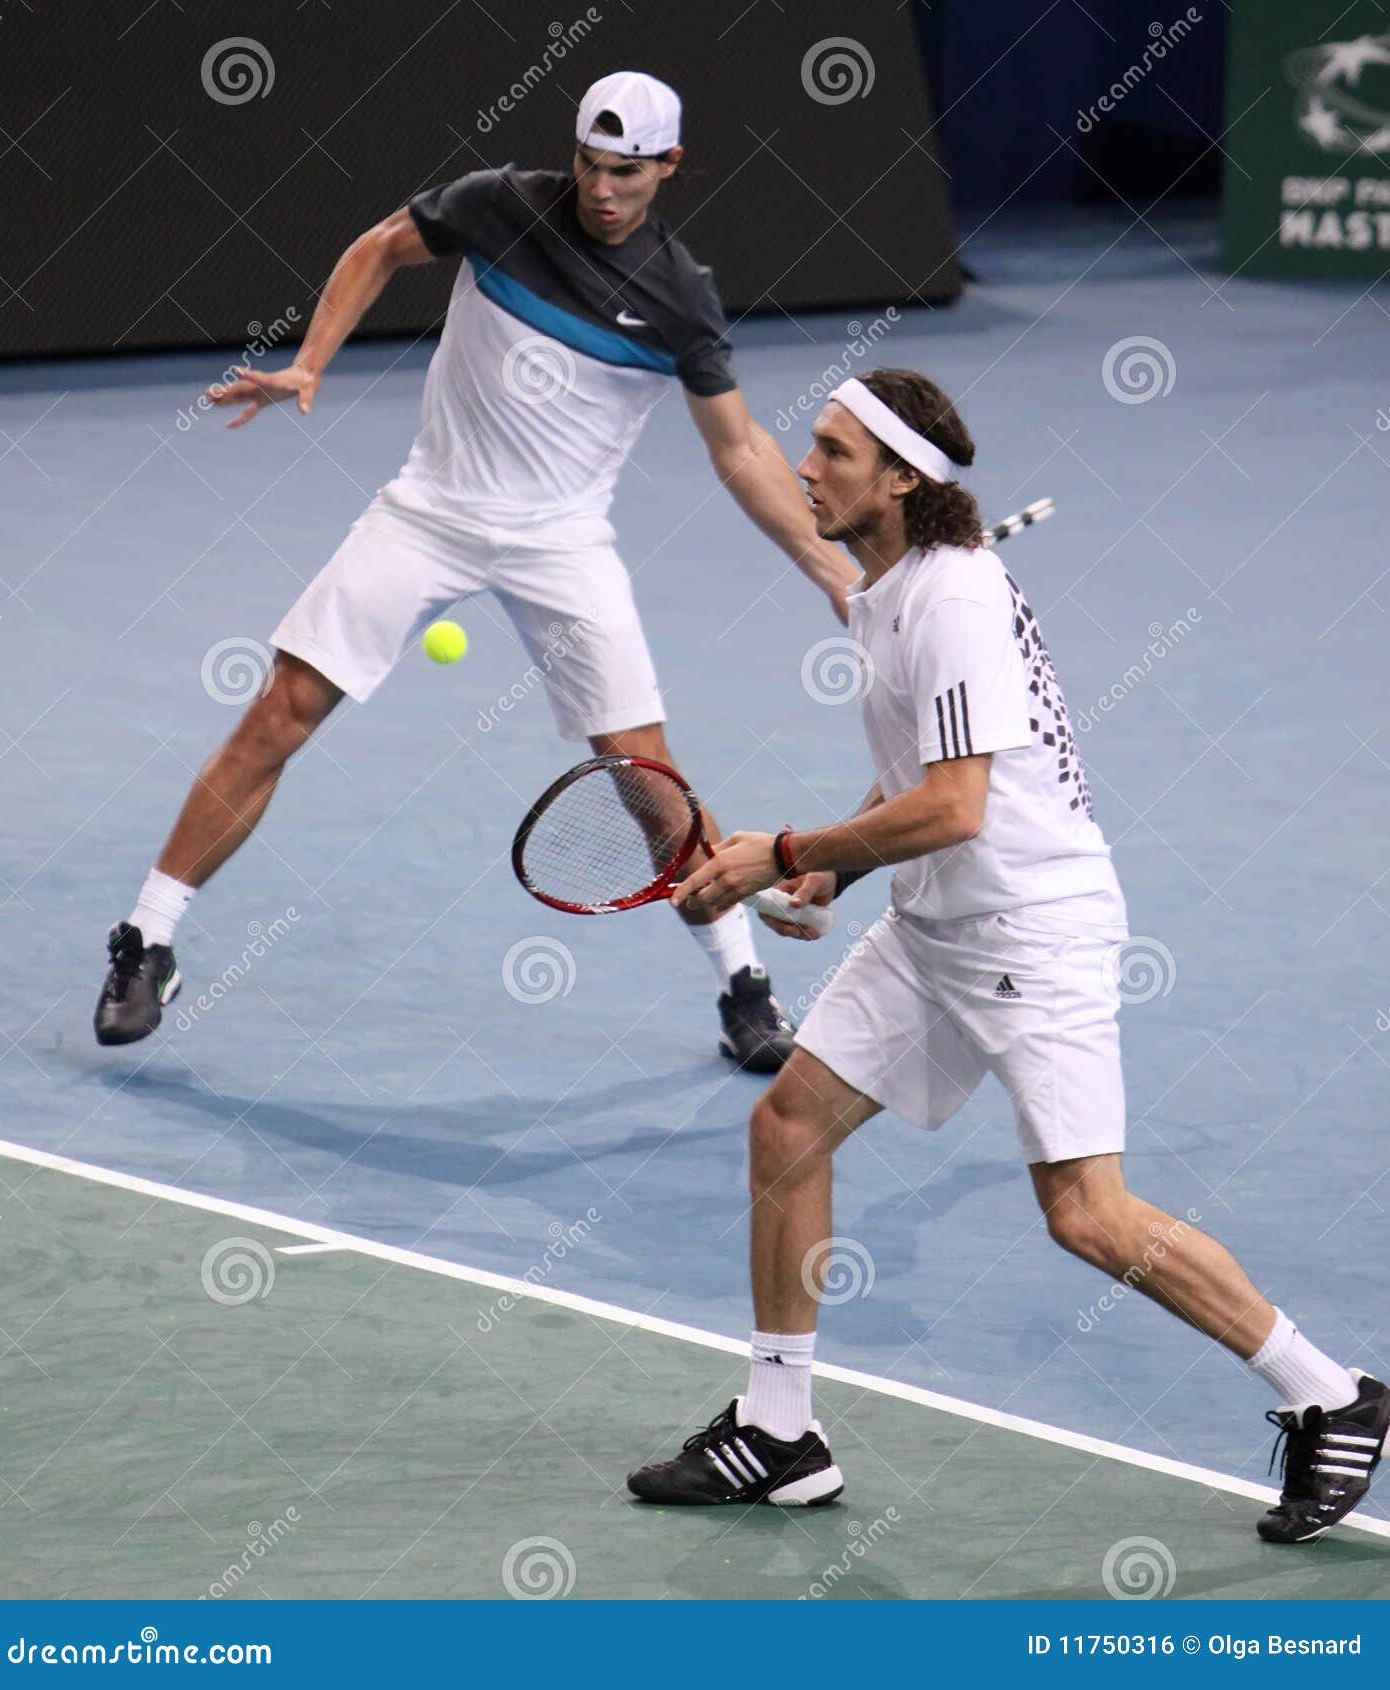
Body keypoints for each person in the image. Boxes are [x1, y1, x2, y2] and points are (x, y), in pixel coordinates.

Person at [626, 367, 1389, 1542]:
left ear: (897, 477)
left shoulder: (953, 601)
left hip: (1030, 929)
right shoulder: (890, 587)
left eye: (830, 451)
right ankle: (780, 1432)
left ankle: (1331, 1393)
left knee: (1086, 1213)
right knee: (786, 1125)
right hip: (937, 925)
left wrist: (780, 844)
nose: (804, 467)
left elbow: (958, 806)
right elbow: (918, 775)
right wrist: (835, 863)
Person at [93, 70, 855, 1072]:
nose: (601, 188)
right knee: (280, 706)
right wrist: (313, 361)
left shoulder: (679, 296)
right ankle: (146, 940)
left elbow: (739, 446)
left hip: (562, 541)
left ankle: (742, 986)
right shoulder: (499, 201)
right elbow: (379, 248)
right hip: (430, 510)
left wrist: (827, 565)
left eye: (626, 171)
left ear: (668, 167)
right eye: (588, 163)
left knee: (645, 775)